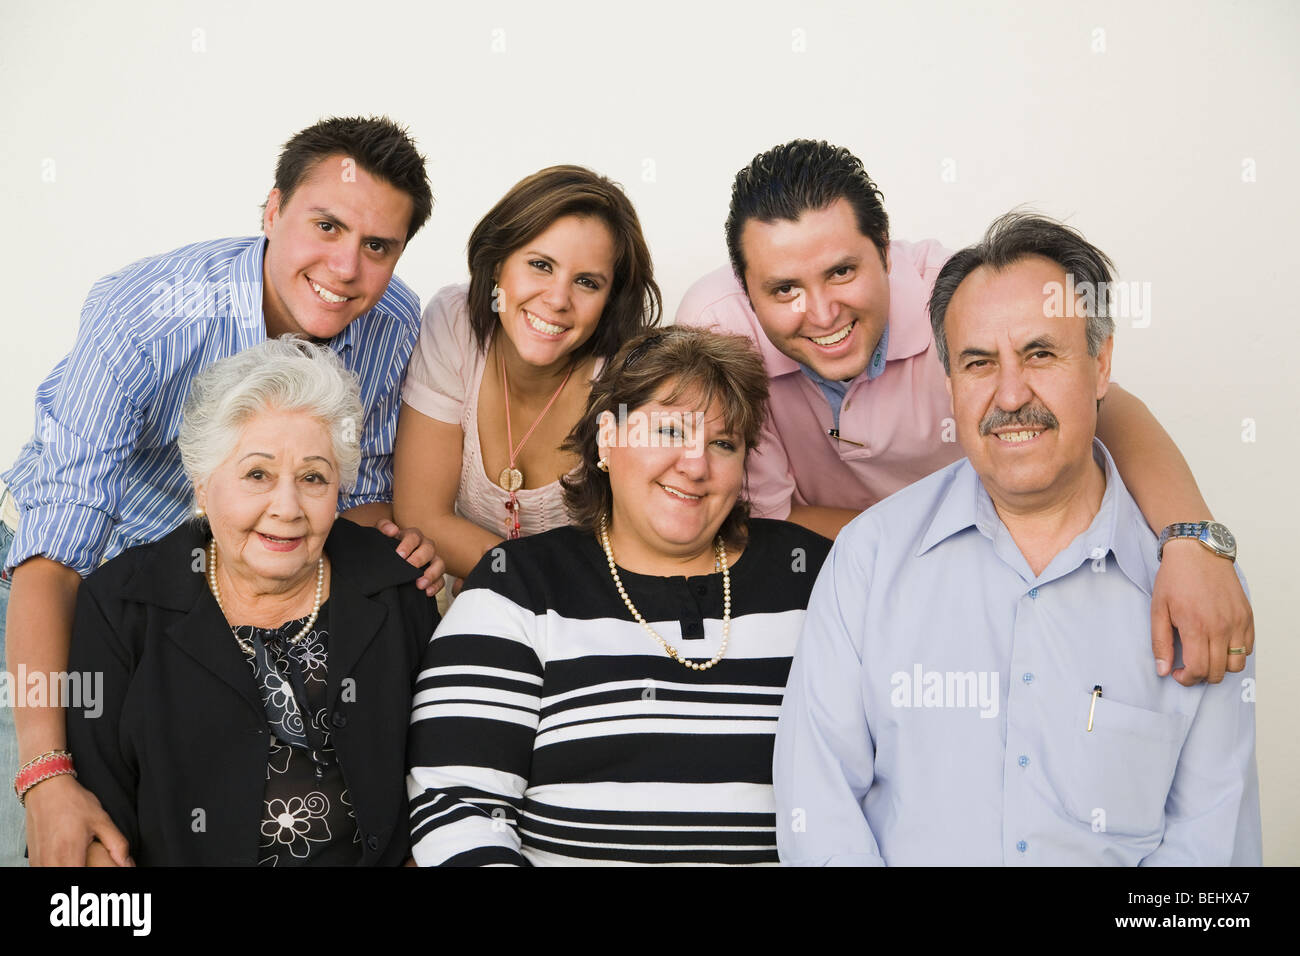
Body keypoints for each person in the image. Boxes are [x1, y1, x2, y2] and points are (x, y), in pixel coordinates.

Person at [1, 115, 444, 868]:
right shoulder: (144, 315)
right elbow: (53, 557)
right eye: (326, 226)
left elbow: (351, 491)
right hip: (88, 588)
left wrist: (399, 548)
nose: (346, 268)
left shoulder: (393, 321)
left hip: (252, 602)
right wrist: (45, 776)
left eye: (377, 247)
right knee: (61, 846)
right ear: (271, 211)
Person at [773, 213, 1260, 866]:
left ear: (1100, 364)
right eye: (979, 363)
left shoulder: (1195, 592)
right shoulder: (867, 561)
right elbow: (818, 810)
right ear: (951, 386)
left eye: (1039, 353)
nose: (1010, 394)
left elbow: (1211, 848)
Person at [676, 139, 1253, 686]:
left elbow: (1103, 403)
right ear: (747, 292)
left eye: (842, 272)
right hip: (831, 580)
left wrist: (1193, 542)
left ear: (885, 252)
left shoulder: (961, 298)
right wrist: (916, 546)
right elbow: (765, 525)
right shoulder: (716, 325)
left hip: (1000, 558)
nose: (822, 313)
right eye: (783, 291)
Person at [406, 326, 831, 865]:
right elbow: (457, 807)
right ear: (608, 438)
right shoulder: (519, 587)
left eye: (723, 443)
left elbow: (885, 774)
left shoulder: (813, 579)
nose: (696, 466)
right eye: (671, 431)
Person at [61, 339, 439, 866]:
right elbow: (97, 829)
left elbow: (444, 779)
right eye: (257, 474)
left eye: (313, 478)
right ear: (202, 484)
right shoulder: (122, 606)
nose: (286, 508)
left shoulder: (396, 586)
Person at [394, 165, 661, 587]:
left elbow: (642, 552)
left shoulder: (633, 376)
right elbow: (421, 516)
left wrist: (499, 575)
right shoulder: (454, 322)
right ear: (498, 263)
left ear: (611, 300)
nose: (557, 300)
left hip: (590, 616)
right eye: (540, 264)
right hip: (473, 603)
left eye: (587, 282)